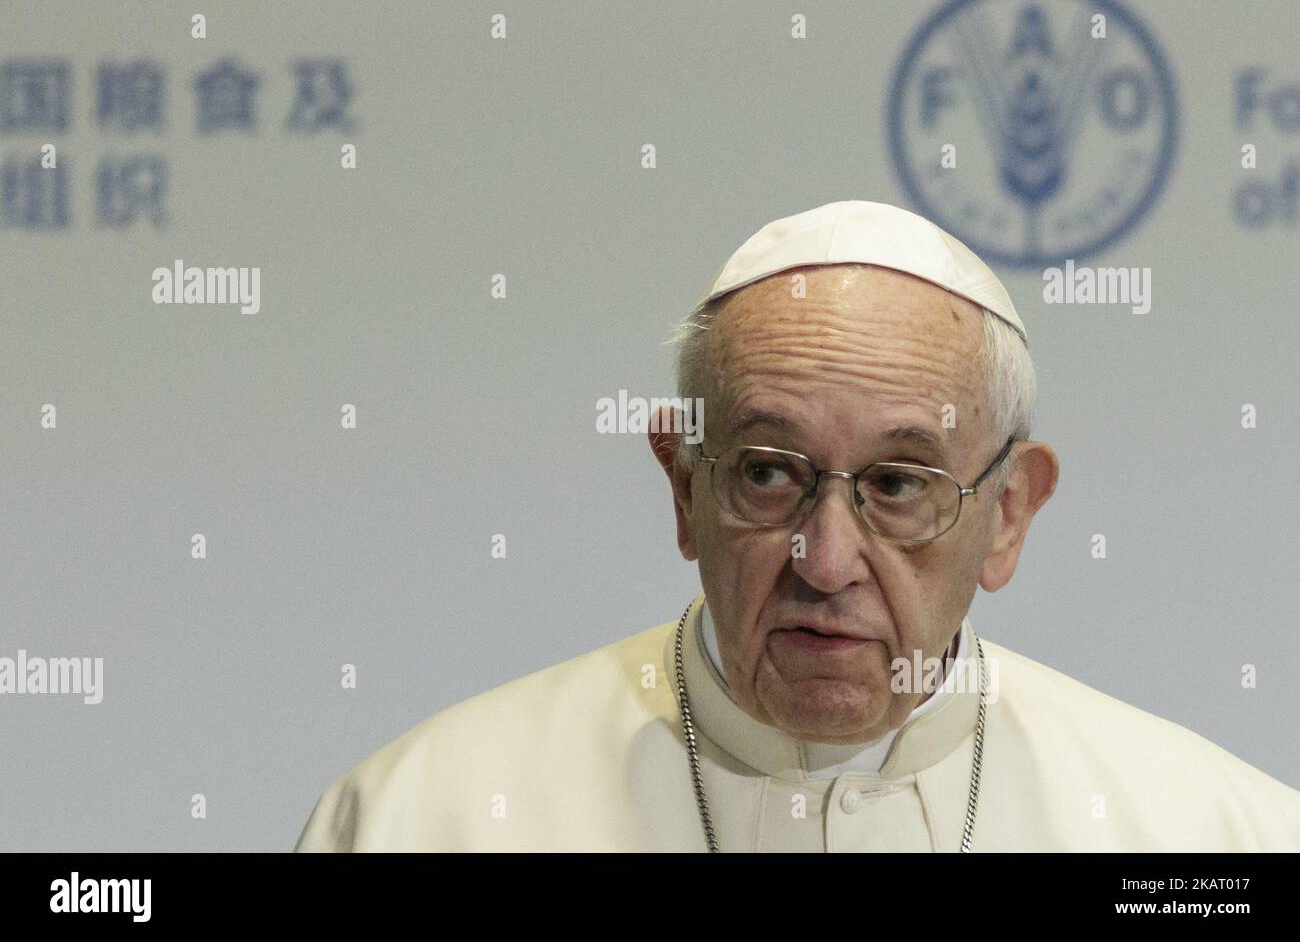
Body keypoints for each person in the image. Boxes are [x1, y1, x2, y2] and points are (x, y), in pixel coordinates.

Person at [294, 200, 1300, 851]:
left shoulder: (1210, 838)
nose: (825, 561)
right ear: (682, 486)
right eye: (768, 472)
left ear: (1008, 512)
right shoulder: (422, 818)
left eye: (899, 484)